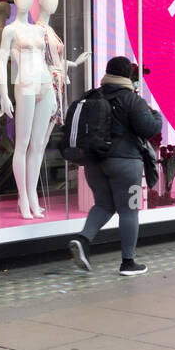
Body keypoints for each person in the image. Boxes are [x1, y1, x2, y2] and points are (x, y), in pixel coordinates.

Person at [68, 56, 162, 275]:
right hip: (126, 165)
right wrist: (156, 115)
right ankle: (128, 263)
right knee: (129, 211)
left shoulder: (92, 96)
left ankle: (83, 239)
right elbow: (149, 128)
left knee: (103, 205)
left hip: (94, 163)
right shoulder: (131, 99)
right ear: (128, 75)